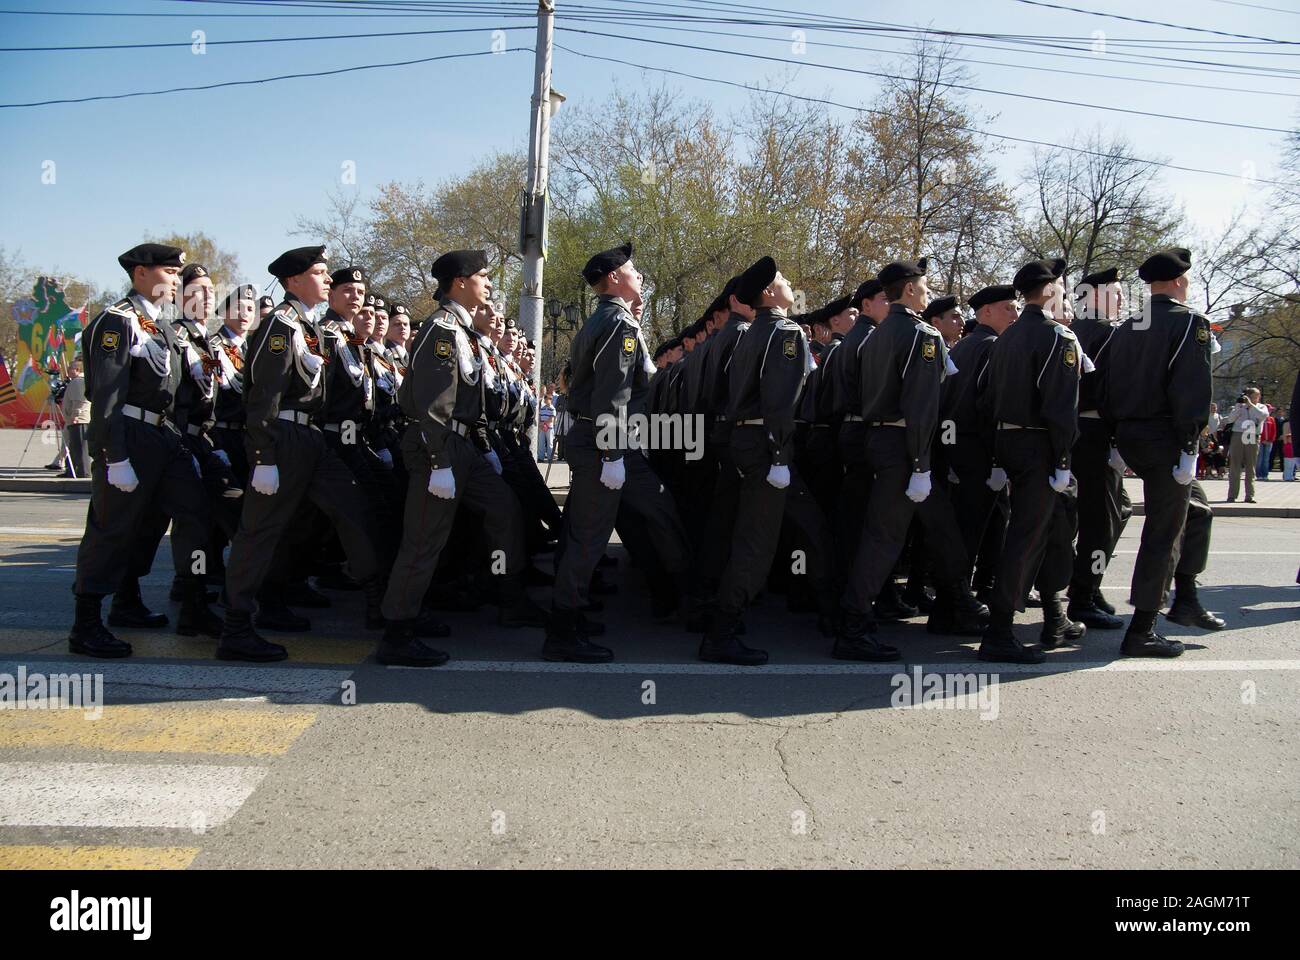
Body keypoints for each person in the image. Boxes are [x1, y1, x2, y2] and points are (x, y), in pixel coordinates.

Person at [378, 249, 547, 667]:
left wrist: (481, 449)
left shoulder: (464, 332)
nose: (488, 284)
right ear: (459, 282)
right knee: (423, 538)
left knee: (504, 510)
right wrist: (438, 463)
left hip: (465, 447)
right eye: (483, 277)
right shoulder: (442, 330)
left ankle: (510, 596)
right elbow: (432, 403)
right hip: (441, 446)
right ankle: (397, 632)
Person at [219, 245, 385, 662]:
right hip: (284, 438)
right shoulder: (280, 326)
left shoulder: (309, 328)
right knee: (259, 532)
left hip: (313, 441)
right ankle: (236, 627)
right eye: (320, 272)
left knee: (353, 510)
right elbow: (264, 397)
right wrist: (263, 457)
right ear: (293, 281)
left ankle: (378, 602)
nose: (328, 279)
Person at [68, 242, 218, 657]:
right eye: (170, 273)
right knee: (112, 528)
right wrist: (114, 457)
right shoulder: (117, 322)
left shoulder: (163, 328)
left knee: (195, 513)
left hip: (164, 438)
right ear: (140, 274)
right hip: (129, 437)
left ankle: (193, 604)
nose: (176, 281)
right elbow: (108, 398)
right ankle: (87, 622)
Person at [548, 242, 691, 661]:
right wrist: (611, 455)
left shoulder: (611, 320)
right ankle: (562, 631)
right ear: (614, 278)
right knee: (589, 538)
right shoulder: (618, 325)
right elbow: (612, 394)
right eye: (632, 270)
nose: (639, 275)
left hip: (605, 442)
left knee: (640, 517)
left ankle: (674, 597)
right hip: (606, 444)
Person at [1100, 247, 1214, 658]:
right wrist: (1190, 444)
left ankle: (1186, 598)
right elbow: (1191, 387)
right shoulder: (1189, 323)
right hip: (1166, 437)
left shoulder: (1129, 325)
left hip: (1130, 434)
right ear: (1181, 282)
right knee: (1163, 532)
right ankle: (1143, 629)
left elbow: (1109, 384)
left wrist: (1114, 438)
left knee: (1197, 511)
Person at [837, 259, 951, 660]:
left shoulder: (875, 335)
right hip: (902, 444)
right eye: (923, 285)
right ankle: (853, 625)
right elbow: (921, 405)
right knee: (884, 538)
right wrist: (921, 464)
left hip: (877, 438)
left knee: (879, 534)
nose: (928, 292)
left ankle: (861, 615)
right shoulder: (923, 335)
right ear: (908, 290)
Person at [977, 258, 1084, 664]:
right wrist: (1061, 457)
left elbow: (988, 399)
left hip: (1010, 442)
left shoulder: (1006, 337)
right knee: (1027, 536)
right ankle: (1000, 630)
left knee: (1050, 531)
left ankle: (1054, 614)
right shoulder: (1058, 337)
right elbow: (1060, 406)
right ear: (1051, 289)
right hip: (1040, 447)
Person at [1064, 267, 1128, 631]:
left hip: (1076, 431)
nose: (1121, 299)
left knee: (1104, 513)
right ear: (1096, 296)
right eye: (1115, 292)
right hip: (1095, 429)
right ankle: (1083, 595)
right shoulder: (1106, 335)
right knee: (1099, 520)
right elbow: (1113, 390)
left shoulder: (1073, 331)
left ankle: (1088, 585)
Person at [1222, 387, 1267, 502]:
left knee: (1250, 467)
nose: (1258, 398)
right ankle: (1232, 495)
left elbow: (1262, 416)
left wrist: (1251, 405)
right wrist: (1238, 407)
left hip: (1252, 435)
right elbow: (1230, 419)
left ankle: (1249, 495)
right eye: (1255, 396)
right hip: (1238, 434)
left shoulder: (1261, 407)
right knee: (1235, 466)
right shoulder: (1240, 406)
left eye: (1258, 396)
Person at [59, 356, 90, 478]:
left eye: (70, 368)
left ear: (77, 369)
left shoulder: (78, 382)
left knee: (79, 447)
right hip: (78, 419)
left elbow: (79, 401)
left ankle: (81, 471)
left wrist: (75, 415)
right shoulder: (78, 381)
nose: (67, 370)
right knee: (75, 446)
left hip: (79, 419)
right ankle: (74, 470)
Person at [1256, 404, 1277, 480]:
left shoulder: (1271, 419)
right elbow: (1258, 430)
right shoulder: (1259, 418)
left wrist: (1270, 440)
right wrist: (1262, 440)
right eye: (1269, 409)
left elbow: (1274, 431)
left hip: (1269, 442)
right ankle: (1259, 475)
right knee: (1260, 458)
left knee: (1266, 459)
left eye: (1271, 410)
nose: (1270, 411)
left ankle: (1265, 474)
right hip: (1261, 441)